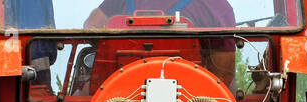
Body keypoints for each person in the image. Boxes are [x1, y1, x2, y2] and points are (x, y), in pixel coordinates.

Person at [84, 0, 238, 88]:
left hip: (117, 96)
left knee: (80, 95)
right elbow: (223, 76)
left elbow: (90, 26)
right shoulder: (216, 6)